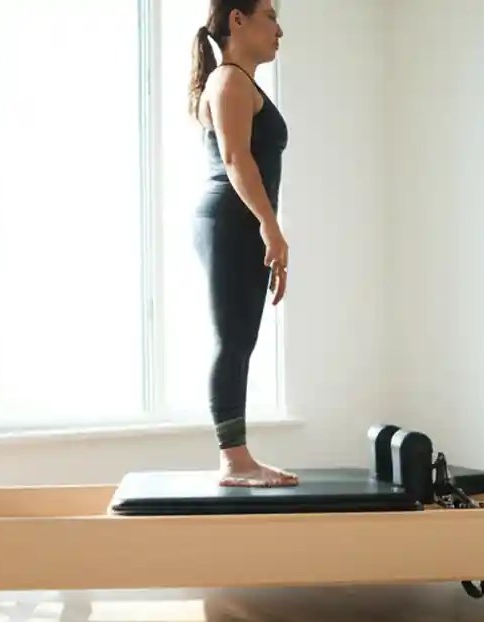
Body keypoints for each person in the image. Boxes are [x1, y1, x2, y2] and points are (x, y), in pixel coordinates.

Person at [188, 0, 297, 488]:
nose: (278, 29)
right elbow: (235, 159)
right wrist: (270, 227)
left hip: (238, 221)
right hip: (232, 221)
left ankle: (239, 457)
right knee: (233, 340)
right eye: (270, 16)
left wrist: (268, 227)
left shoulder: (238, 82)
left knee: (241, 340)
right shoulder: (229, 80)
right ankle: (234, 460)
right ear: (238, 20)